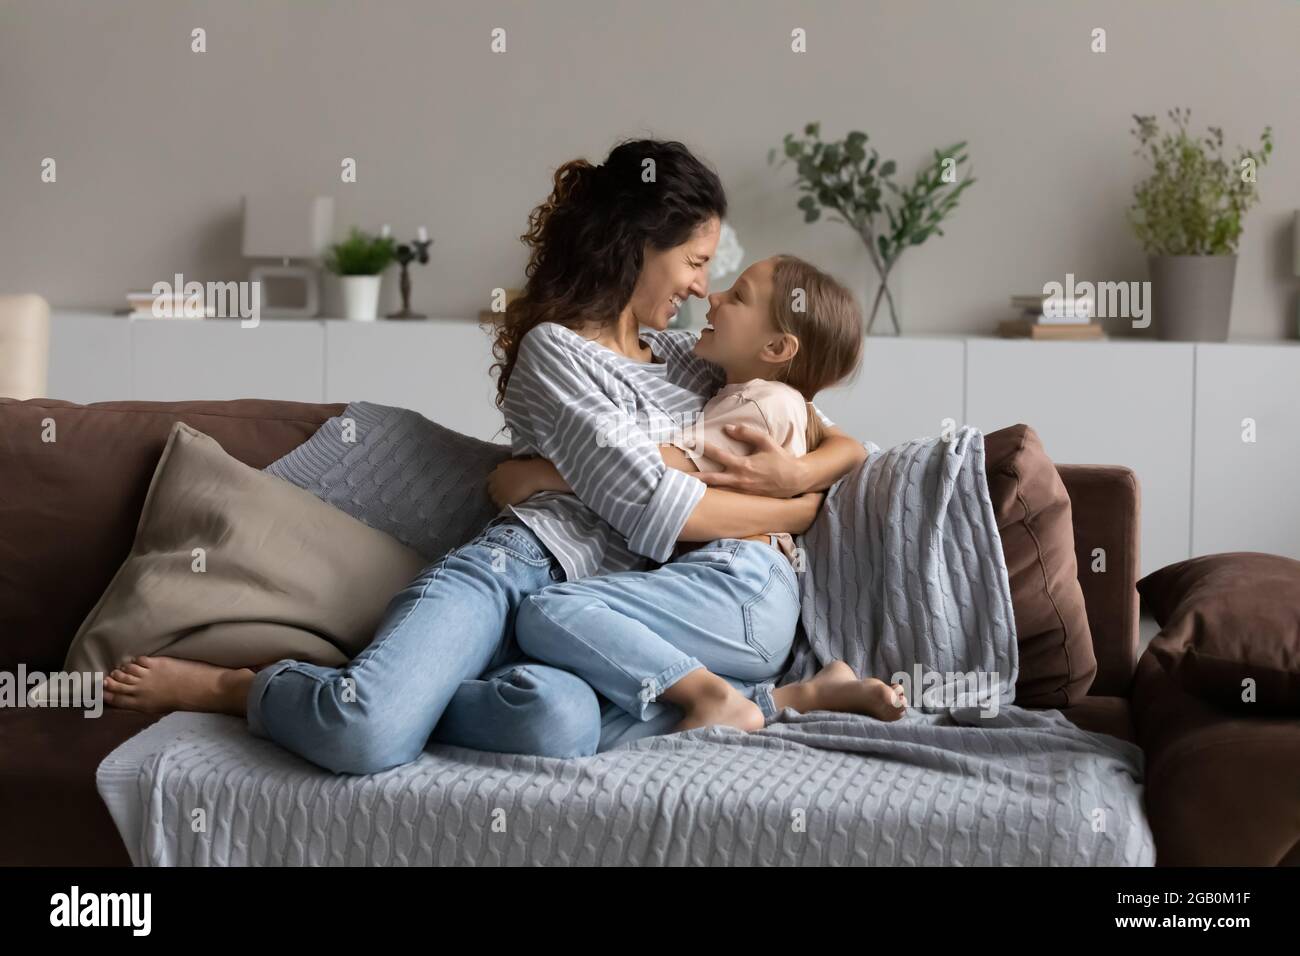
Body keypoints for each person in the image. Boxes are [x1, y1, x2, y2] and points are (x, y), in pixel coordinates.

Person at [104, 139, 869, 772]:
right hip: (517, 575)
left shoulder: (695, 361)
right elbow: (661, 508)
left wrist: (803, 473)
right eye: (696, 262)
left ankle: (405, 690)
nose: (705, 289)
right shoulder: (558, 353)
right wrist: (793, 508)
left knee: (556, 727)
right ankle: (247, 690)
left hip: (595, 623)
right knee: (364, 735)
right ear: (638, 248)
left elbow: (829, 432)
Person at [492, 255, 907, 738]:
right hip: (736, 607)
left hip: (736, 583)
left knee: (547, 611)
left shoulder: (763, 404)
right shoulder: (752, 395)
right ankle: (789, 698)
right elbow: (848, 447)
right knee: (609, 721)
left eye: (738, 297)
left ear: (776, 346)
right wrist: (798, 479)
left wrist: (546, 473)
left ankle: (713, 697)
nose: (712, 296)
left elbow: (657, 466)